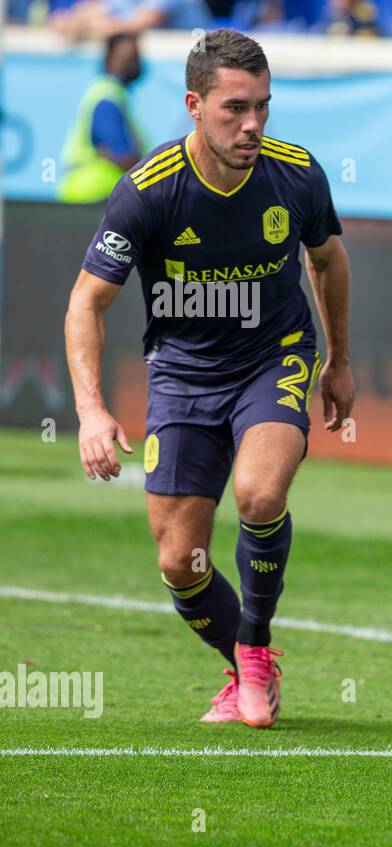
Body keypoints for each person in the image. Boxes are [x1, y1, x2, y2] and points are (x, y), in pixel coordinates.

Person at [63, 29, 355, 728]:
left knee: (259, 493)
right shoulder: (148, 191)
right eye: (234, 109)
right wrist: (91, 411)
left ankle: (253, 647)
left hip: (273, 359)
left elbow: (328, 261)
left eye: (262, 106)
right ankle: (245, 665)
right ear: (195, 105)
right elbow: (86, 302)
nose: (252, 124)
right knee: (180, 564)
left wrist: (338, 360)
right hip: (184, 376)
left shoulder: (297, 174)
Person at [58, 33, 147, 204]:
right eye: (129, 57)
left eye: (137, 57)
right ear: (110, 59)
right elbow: (119, 152)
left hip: (92, 192)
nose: (135, 63)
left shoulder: (111, 94)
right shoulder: (107, 95)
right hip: (95, 192)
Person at [51, 0, 211, 41]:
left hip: (197, 68)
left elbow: (134, 26)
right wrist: (72, 22)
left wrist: (84, 30)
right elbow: (94, 9)